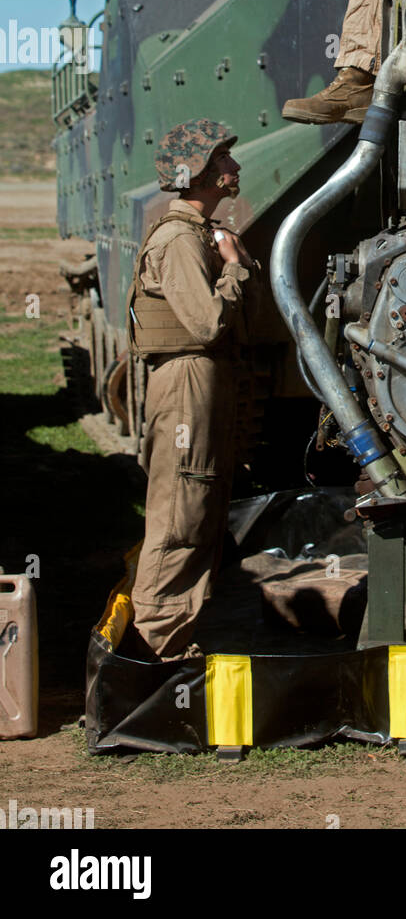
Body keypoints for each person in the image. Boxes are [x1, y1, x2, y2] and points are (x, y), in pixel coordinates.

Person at [125, 119, 260, 659]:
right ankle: (158, 644)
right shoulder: (181, 237)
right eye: (223, 159)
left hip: (199, 375)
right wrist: (232, 270)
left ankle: (180, 632)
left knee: (200, 498)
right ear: (201, 172)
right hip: (186, 375)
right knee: (182, 505)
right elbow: (205, 325)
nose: (234, 167)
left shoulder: (200, 231)